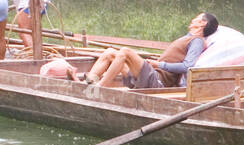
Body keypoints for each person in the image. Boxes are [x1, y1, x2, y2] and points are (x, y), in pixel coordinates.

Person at [85, 13, 218, 90]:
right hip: (151, 74)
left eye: (197, 17)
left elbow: (188, 66)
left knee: (125, 52)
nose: (193, 19)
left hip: (158, 81)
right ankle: (87, 85)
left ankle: (99, 89)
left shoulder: (198, 41)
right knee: (110, 52)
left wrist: (158, 65)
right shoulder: (188, 38)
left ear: (202, 23)